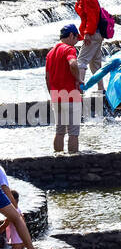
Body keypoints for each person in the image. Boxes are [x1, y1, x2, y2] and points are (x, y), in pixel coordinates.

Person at [45, 24, 83, 154]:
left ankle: (58, 159)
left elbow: (47, 77)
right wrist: (78, 79)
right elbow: (72, 63)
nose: (77, 41)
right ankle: (73, 163)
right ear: (71, 35)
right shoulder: (69, 49)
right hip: (71, 95)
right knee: (73, 133)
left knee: (59, 131)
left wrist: (52, 94)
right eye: (76, 38)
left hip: (56, 95)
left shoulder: (50, 53)